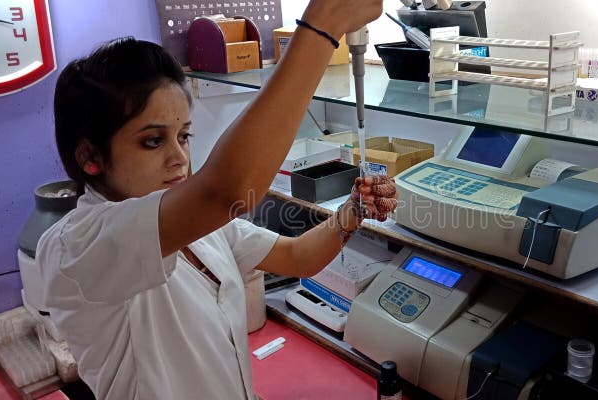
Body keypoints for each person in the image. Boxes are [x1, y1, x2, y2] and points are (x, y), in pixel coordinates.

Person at [37, 1, 390, 399]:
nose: (178, 157)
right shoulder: (78, 246)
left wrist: (351, 212)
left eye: (183, 136)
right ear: (90, 157)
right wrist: (325, 25)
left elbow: (297, 257)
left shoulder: (200, 228)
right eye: (152, 141)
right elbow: (228, 190)